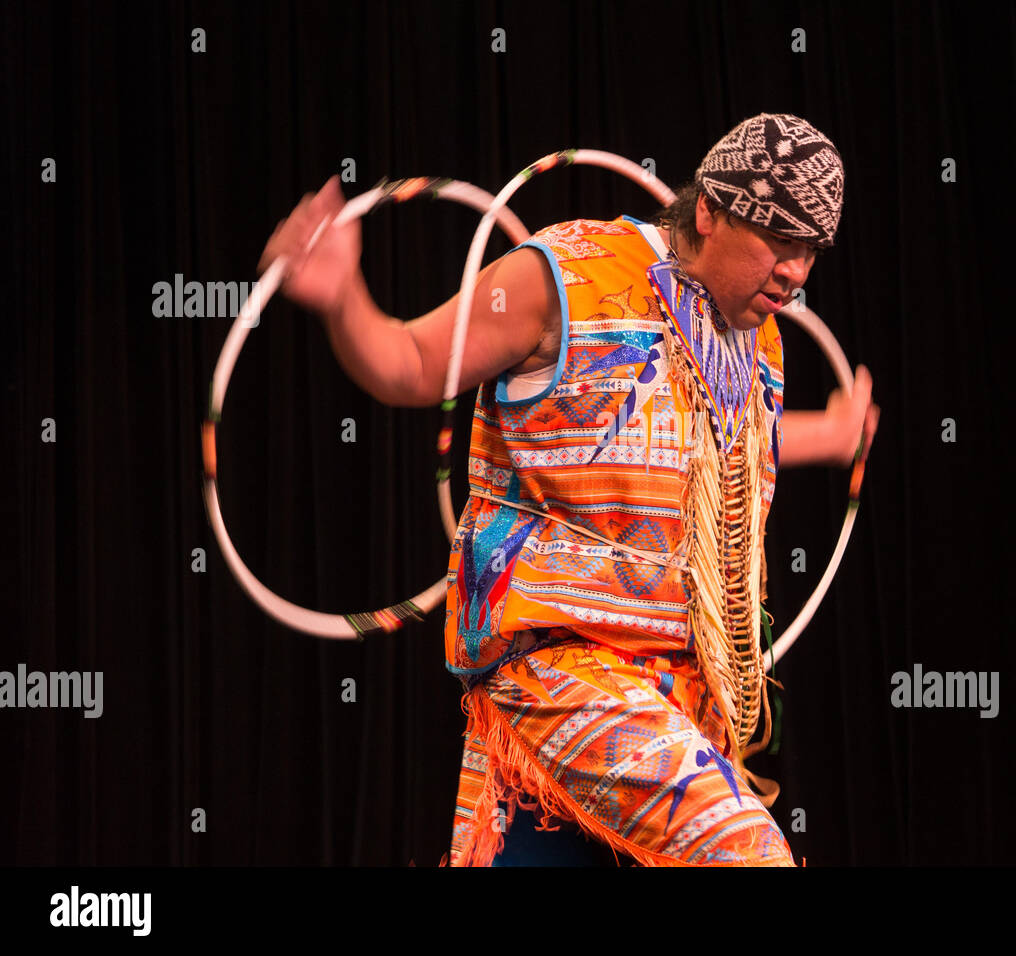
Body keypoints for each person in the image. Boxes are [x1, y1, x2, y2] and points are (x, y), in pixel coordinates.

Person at [260, 113, 880, 866]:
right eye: (778, 243)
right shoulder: (566, 275)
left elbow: (728, 451)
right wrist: (342, 298)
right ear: (709, 211)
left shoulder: (762, 343)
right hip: (562, 671)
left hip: (683, 699)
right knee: (747, 853)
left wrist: (837, 434)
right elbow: (414, 362)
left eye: (810, 251)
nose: (795, 272)